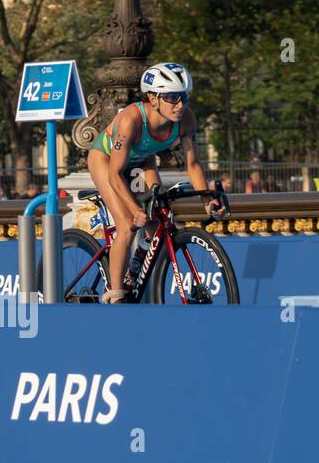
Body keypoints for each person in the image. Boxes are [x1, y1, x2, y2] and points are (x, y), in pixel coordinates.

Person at [86, 62, 224, 304]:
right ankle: (116, 294)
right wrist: (134, 208)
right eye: (172, 97)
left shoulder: (186, 119)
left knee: (159, 222)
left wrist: (207, 199)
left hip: (144, 158)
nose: (180, 105)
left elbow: (193, 166)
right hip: (107, 161)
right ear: (153, 97)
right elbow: (115, 174)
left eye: (184, 96)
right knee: (128, 223)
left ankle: (136, 264)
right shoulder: (131, 120)